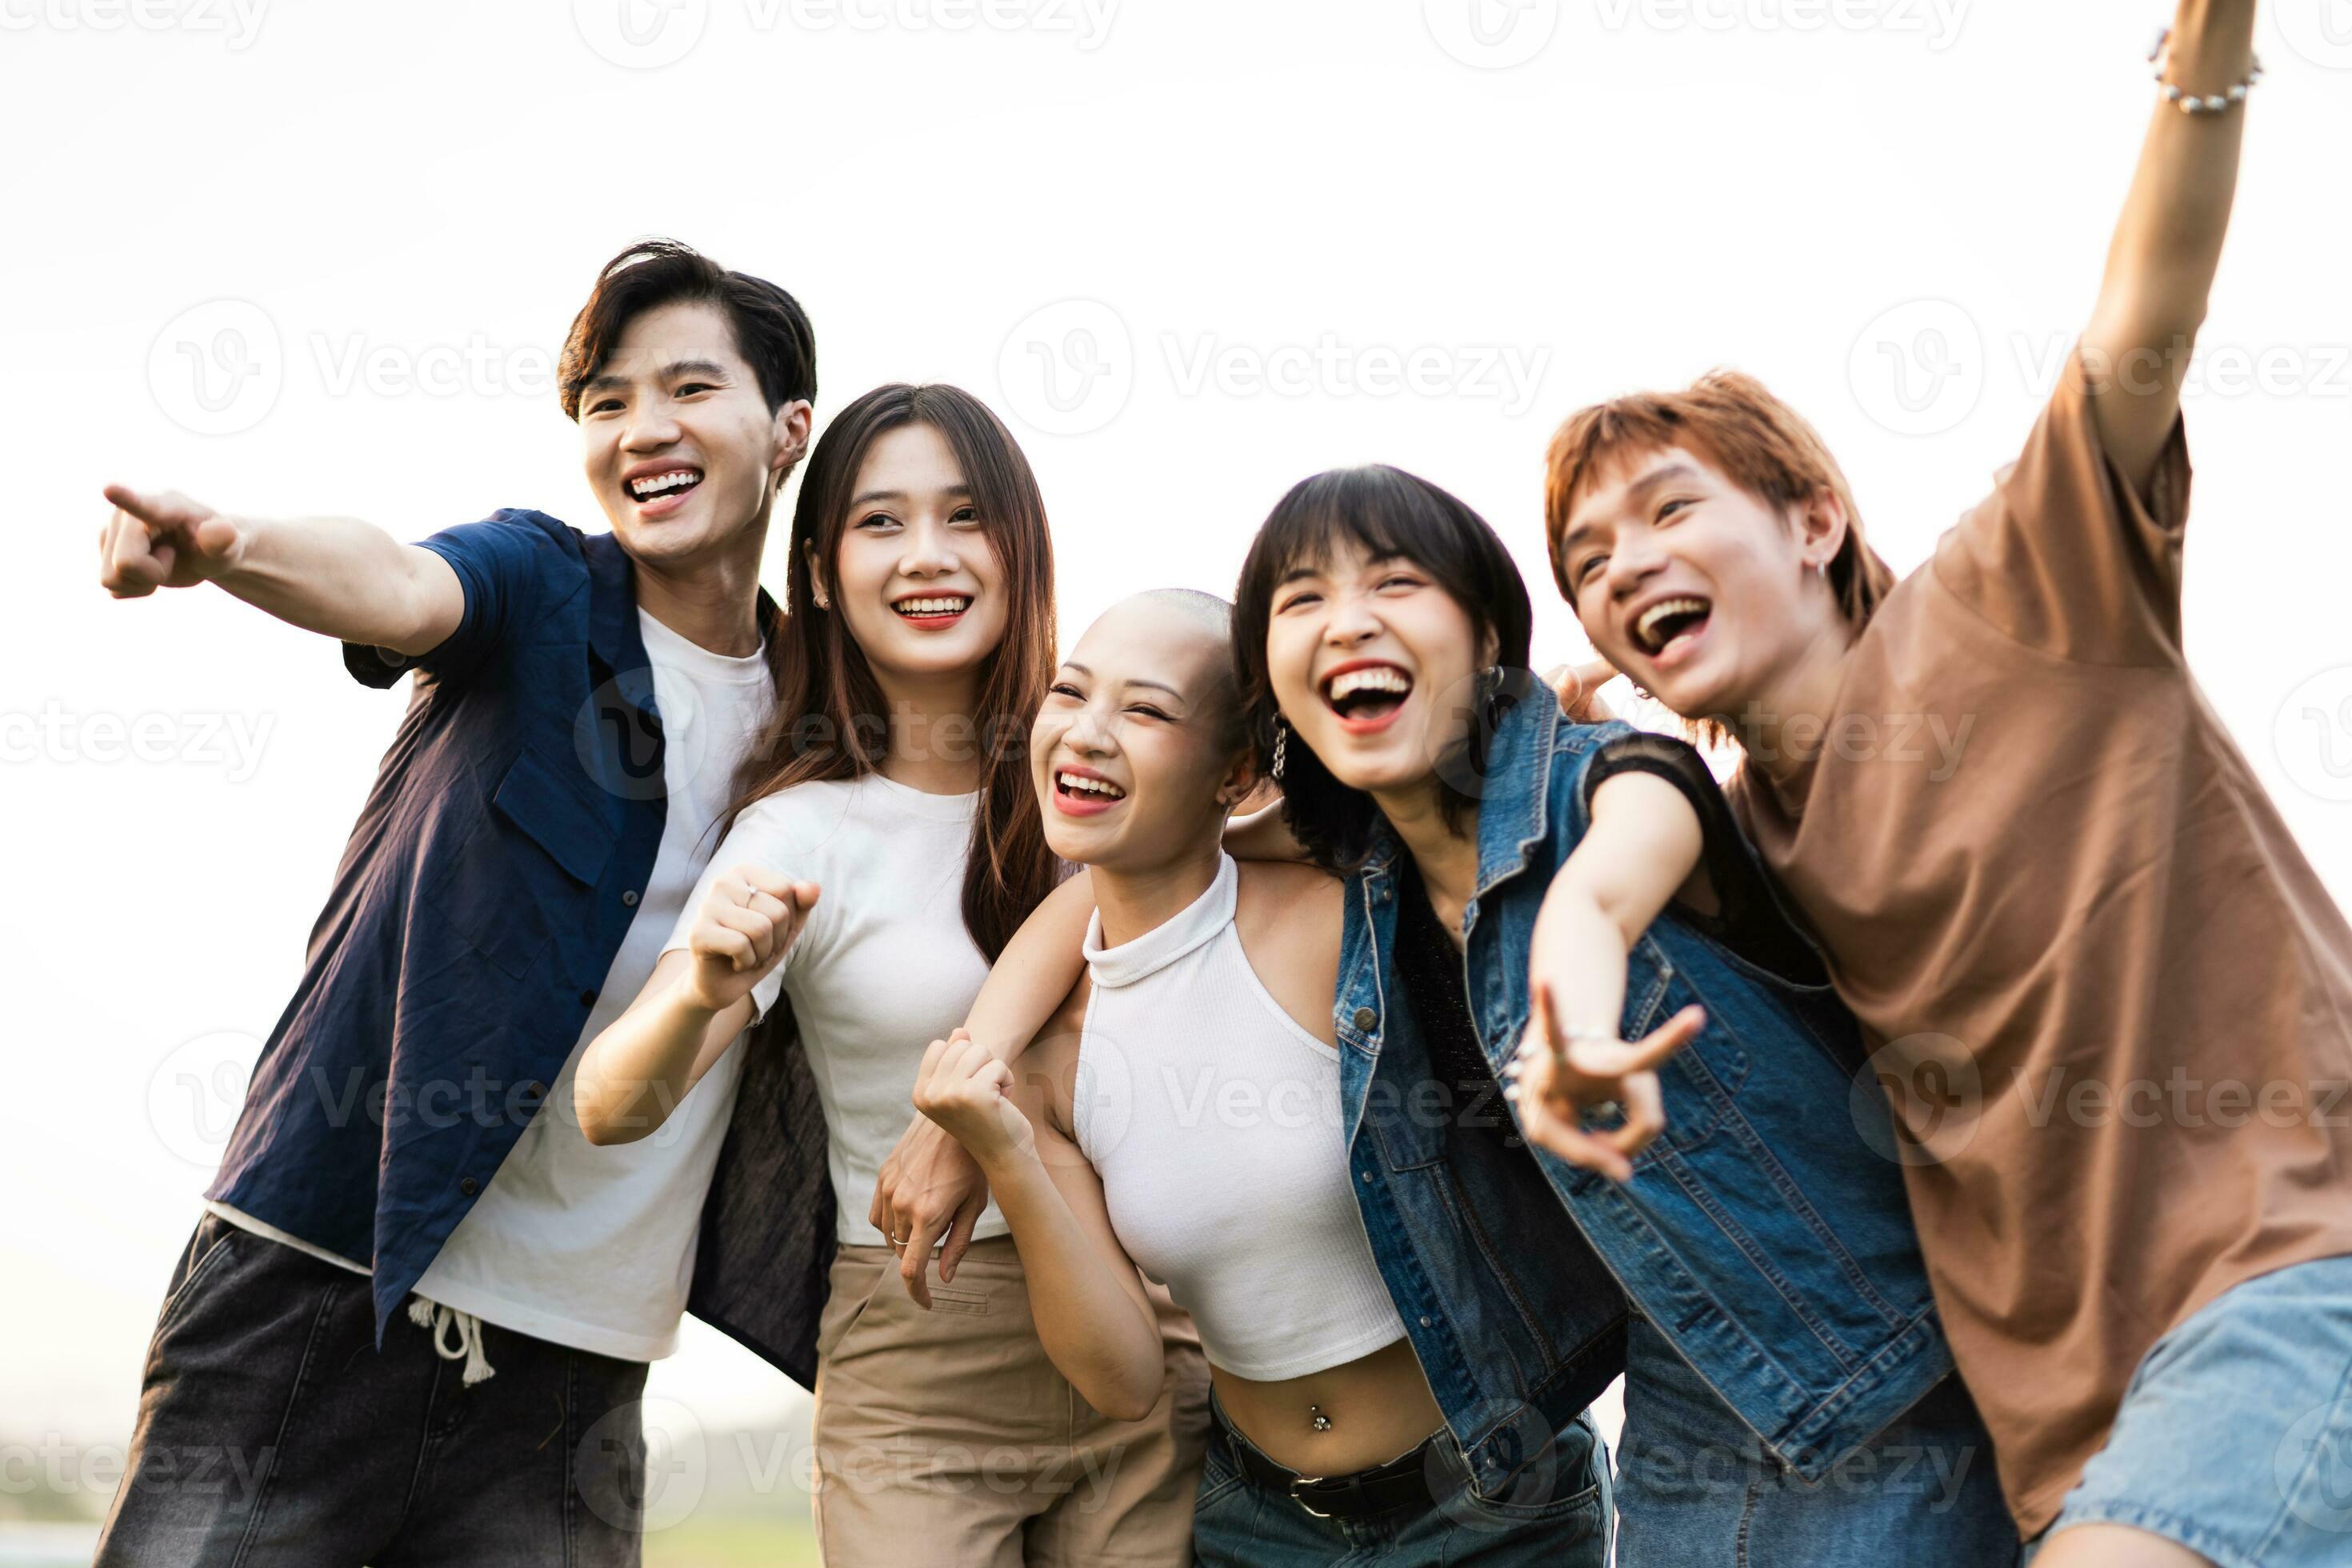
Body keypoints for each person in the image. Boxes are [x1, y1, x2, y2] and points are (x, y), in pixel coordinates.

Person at [1542, 7, 2352, 1563]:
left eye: (1668, 510)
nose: (1625, 561)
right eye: (1588, 559)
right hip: (2067, 1437)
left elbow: (2146, 313)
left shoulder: (2022, 596)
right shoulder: (1744, 836)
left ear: (1814, 521)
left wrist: (2205, 63)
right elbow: (1555, 866)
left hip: (2292, 1278)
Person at [92, 240, 824, 1566]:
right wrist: (231, 547)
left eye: (688, 388)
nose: (642, 430)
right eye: (606, 402)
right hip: (315, 1288)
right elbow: (398, 581)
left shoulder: (819, 723)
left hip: (574, 1380)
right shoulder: (542, 587)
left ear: (788, 429)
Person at [1230, 464, 2020, 1562]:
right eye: (1302, 598)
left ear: (1487, 633)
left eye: (1396, 583)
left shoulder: (1610, 774)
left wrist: (1576, 1033)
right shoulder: (1374, 876)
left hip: (1871, 1369)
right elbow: (1173, 852)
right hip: (1679, 1399)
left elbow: (1601, 894)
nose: (1348, 621)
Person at [571, 383, 1209, 1567]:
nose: (927, 555)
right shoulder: (800, 831)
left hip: (1146, 1319)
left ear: (1022, 547)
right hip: (918, 1347)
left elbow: (1255, 835)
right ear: (820, 572)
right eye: (880, 522)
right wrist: (703, 986)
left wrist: (980, 1094)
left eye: (966, 516)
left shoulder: (1105, 756)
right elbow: (613, 1104)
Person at [914, 588, 1612, 1565]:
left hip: (1493, 1503)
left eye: (1146, 709)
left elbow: (1459, 821)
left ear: (1238, 770)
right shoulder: (1047, 1051)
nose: (1088, 733)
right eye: (1071, 693)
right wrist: (1005, 1155)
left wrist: (1544, 739)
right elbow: (1123, 1378)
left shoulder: (1345, 921)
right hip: (1261, 1526)